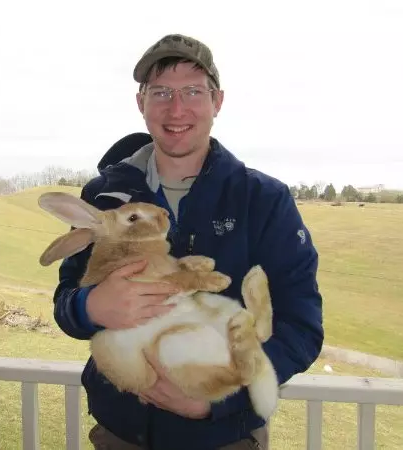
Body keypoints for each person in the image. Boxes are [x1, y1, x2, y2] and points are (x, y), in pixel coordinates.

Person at [52, 33, 324, 450]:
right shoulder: (104, 197)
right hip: (119, 433)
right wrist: (90, 306)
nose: (176, 109)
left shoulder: (264, 200)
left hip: (222, 438)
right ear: (141, 102)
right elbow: (65, 301)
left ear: (217, 101)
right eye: (161, 92)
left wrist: (219, 400)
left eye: (193, 91)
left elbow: (302, 326)